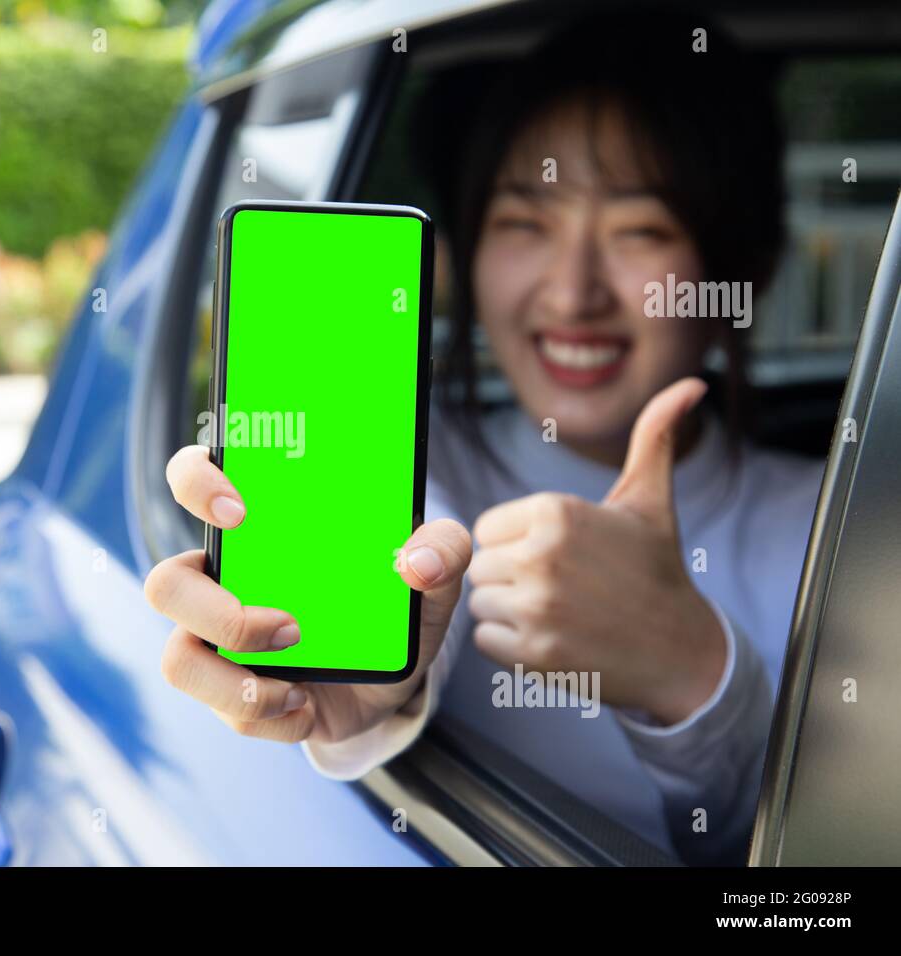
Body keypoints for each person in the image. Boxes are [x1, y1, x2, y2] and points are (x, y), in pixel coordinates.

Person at [143, 14, 825, 865]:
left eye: (639, 230)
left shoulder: (840, 528)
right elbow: (423, 545)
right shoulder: (408, 461)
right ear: (467, 252)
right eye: (524, 223)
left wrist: (694, 671)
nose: (573, 293)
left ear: (743, 269)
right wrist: (365, 692)